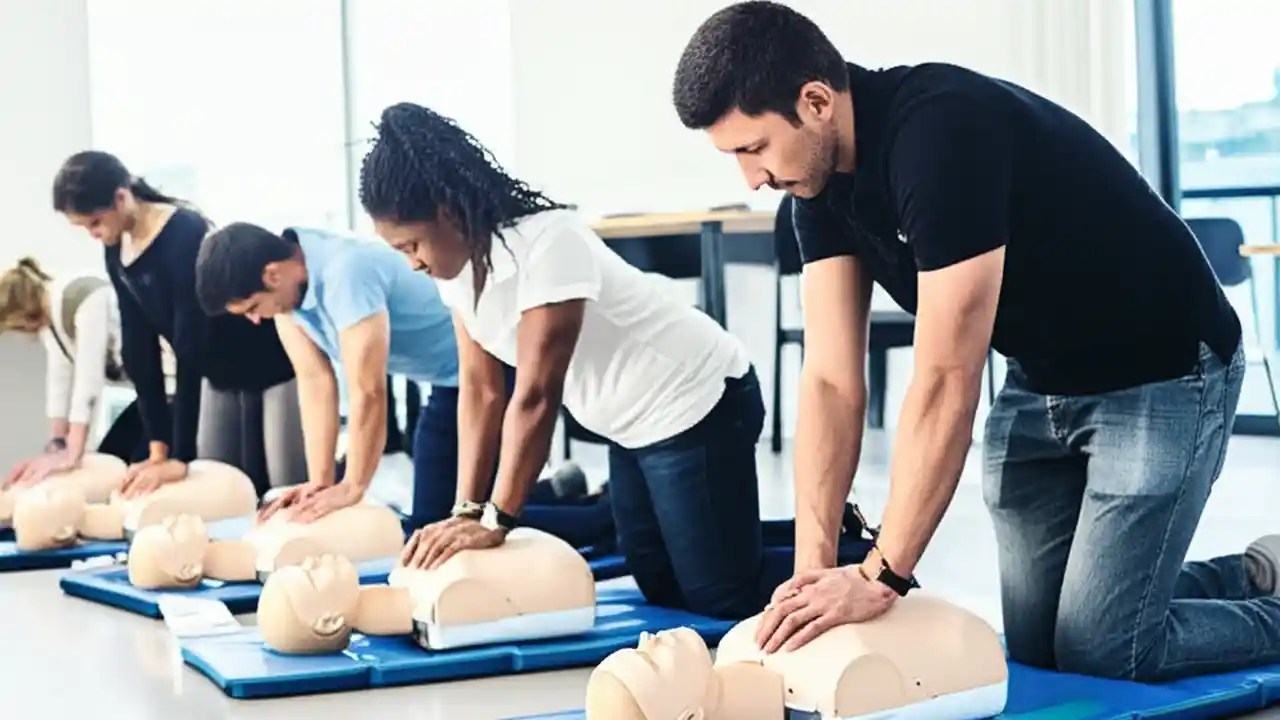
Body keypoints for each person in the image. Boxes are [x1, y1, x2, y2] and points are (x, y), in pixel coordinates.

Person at [669, 0, 1272, 682]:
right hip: (1040, 379)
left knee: (1100, 652)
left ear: (815, 102)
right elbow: (832, 380)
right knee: (1041, 647)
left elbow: (946, 378)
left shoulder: (939, 132)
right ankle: (1254, 570)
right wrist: (813, 574)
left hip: (1164, 372)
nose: (751, 179)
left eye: (753, 149)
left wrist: (882, 575)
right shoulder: (816, 190)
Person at [353, 101, 781, 620]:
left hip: (695, 400)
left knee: (720, 597)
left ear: (447, 213)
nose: (411, 262)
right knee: (662, 585)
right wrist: (465, 509)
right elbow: (482, 391)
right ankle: (751, 537)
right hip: (628, 425)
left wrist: (497, 520)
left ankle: (851, 549)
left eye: (412, 244)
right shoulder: (455, 274)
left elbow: (536, 394)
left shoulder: (548, 242)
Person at [195, 221, 614, 546]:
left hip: (494, 368)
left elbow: (369, 392)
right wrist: (321, 483)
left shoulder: (345, 271)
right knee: (431, 522)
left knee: (447, 524)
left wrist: (353, 487)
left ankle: (609, 517)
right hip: (451, 383)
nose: (255, 319)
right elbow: (316, 384)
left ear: (271, 275)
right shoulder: (288, 296)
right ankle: (560, 493)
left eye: (251, 308)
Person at [51, 150, 304, 498]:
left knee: (283, 486)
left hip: (270, 364)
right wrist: (159, 451)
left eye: (94, 222)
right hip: (217, 376)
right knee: (223, 489)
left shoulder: (183, 231)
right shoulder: (117, 250)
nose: (93, 233)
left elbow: (190, 342)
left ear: (121, 198)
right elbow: (139, 352)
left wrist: (180, 455)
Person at [0, 257, 139, 485]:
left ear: (22, 316)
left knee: (130, 470)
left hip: (174, 385)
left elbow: (88, 378)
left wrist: (73, 451)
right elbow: (59, 381)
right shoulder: (50, 320)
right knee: (112, 455)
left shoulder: (81, 296)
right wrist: (56, 445)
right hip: (150, 394)